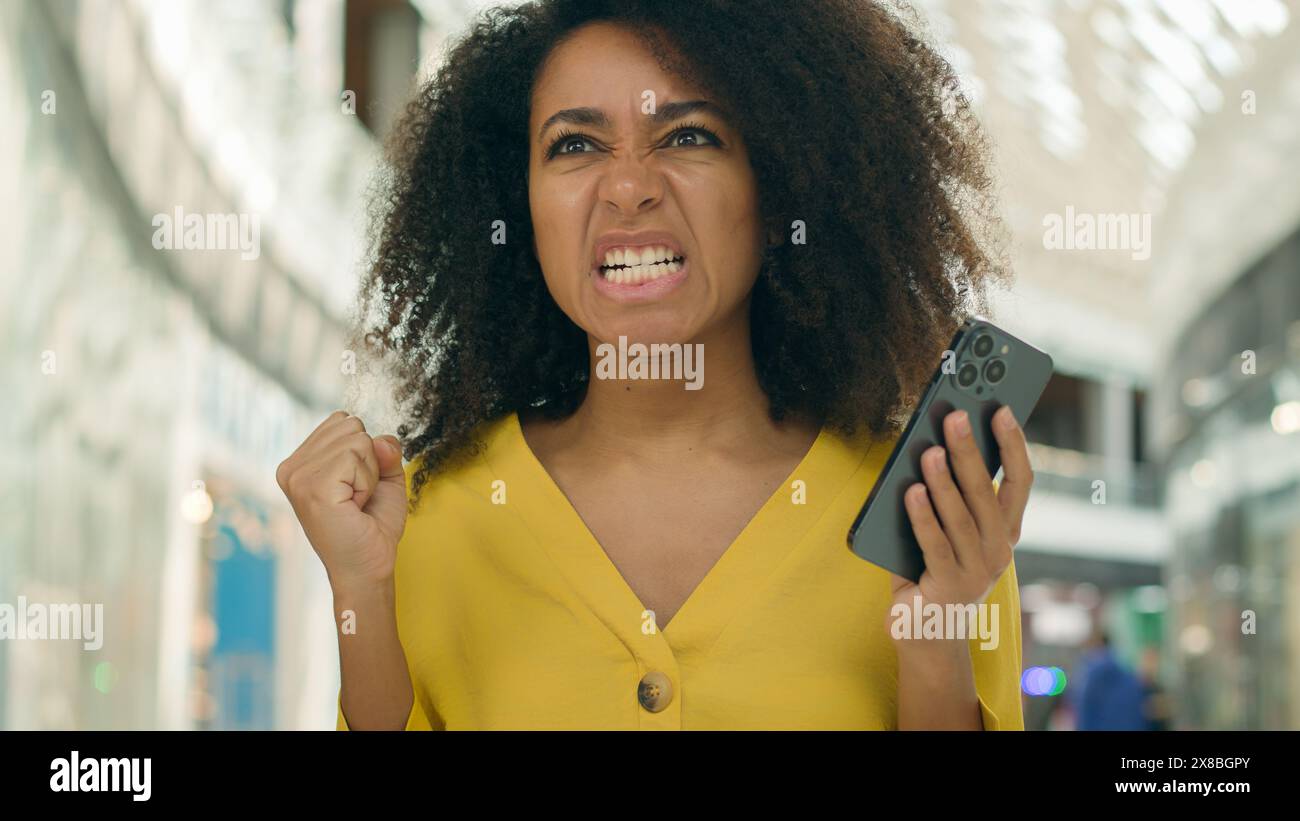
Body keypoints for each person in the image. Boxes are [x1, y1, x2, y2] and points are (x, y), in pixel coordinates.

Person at [276, 0, 1032, 730]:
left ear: (779, 187)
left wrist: (934, 642)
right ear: (521, 204)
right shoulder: (417, 526)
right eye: (574, 145)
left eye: (688, 136)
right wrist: (361, 596)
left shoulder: (931, 523)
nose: (630, 187)